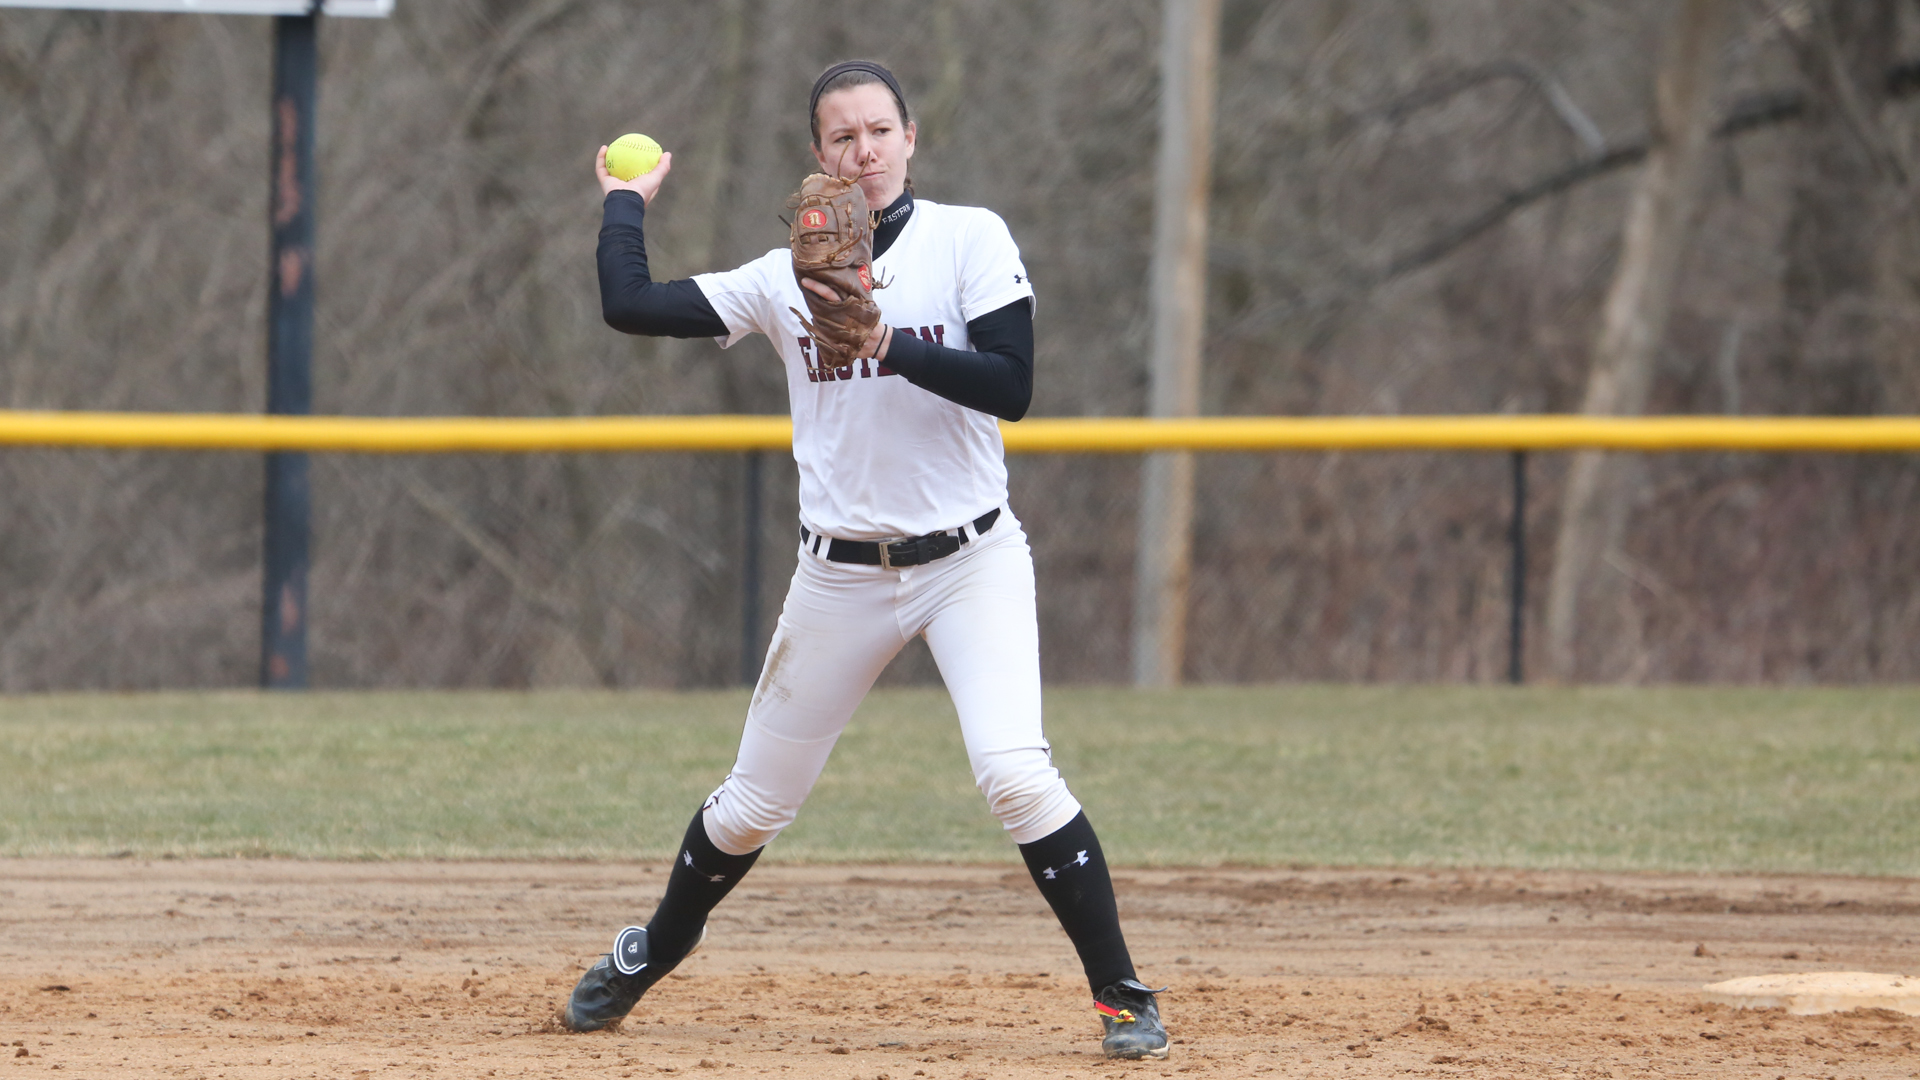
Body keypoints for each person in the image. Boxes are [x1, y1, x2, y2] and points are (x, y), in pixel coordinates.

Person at [560, 59, 1168, 1061]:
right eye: (842, 137)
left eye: (879, 130)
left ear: (911, 137)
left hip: (970, 560)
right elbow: (631, 305)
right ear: (818, 155)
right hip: (840, 576)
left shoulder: (969, 239)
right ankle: (650, 949)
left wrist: (890, 342)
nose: (864, 151)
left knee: (1015, 774)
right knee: (754, 804)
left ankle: (1121, 995)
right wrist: (625, 202)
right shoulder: (779, 278)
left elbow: (1012, 385)